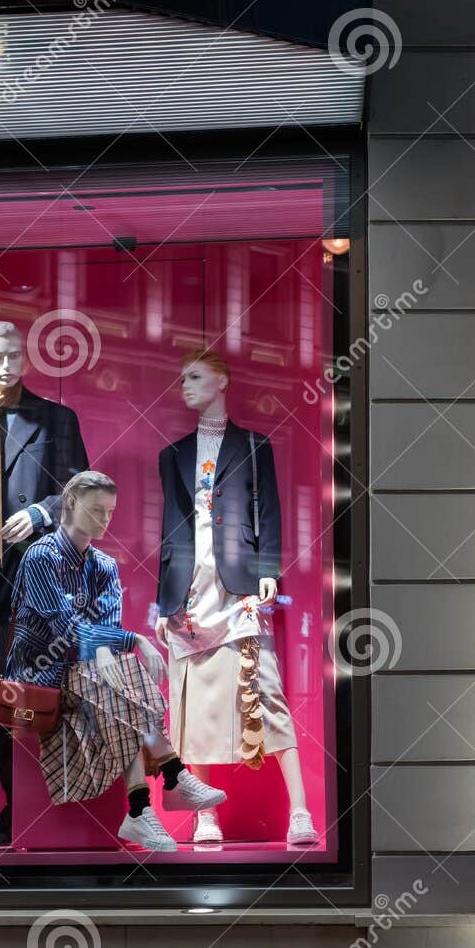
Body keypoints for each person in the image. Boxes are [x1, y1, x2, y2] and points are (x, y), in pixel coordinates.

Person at [4, 470, 224, 852]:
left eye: (110, 512)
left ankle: (142, 808)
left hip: (86, 673)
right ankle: (171, 779)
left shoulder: (104, 566)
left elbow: (104, 632)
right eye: (97, 510)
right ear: (70, 504)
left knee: (112, 681)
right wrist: (135, 639)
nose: (105, 520)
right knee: (112, 677)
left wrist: (115, 647)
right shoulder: (41, 557)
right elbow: (67, 631)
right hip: (40, 673)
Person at [155, 349, 317, 846]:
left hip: (238, 584)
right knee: (196, 701)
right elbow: (170, 528)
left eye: (196, 376)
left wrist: (269, 568)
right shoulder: (173, 454)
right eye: (182, 378)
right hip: (190, 586)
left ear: (222, 381)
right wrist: (167, 599)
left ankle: (300, 812)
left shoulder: (252, 444)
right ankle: (206, 817)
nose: (185, 385)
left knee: (264, 693)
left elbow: (269, 508)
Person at [0, 320, 90, 846]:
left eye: (14, 355)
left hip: (38, 574)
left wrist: (39, 512)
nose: (6, 366)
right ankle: (17, 805)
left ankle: (51, 804)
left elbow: (83, 490)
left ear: (26, 356)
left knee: (46, 690)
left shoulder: (56, 419)